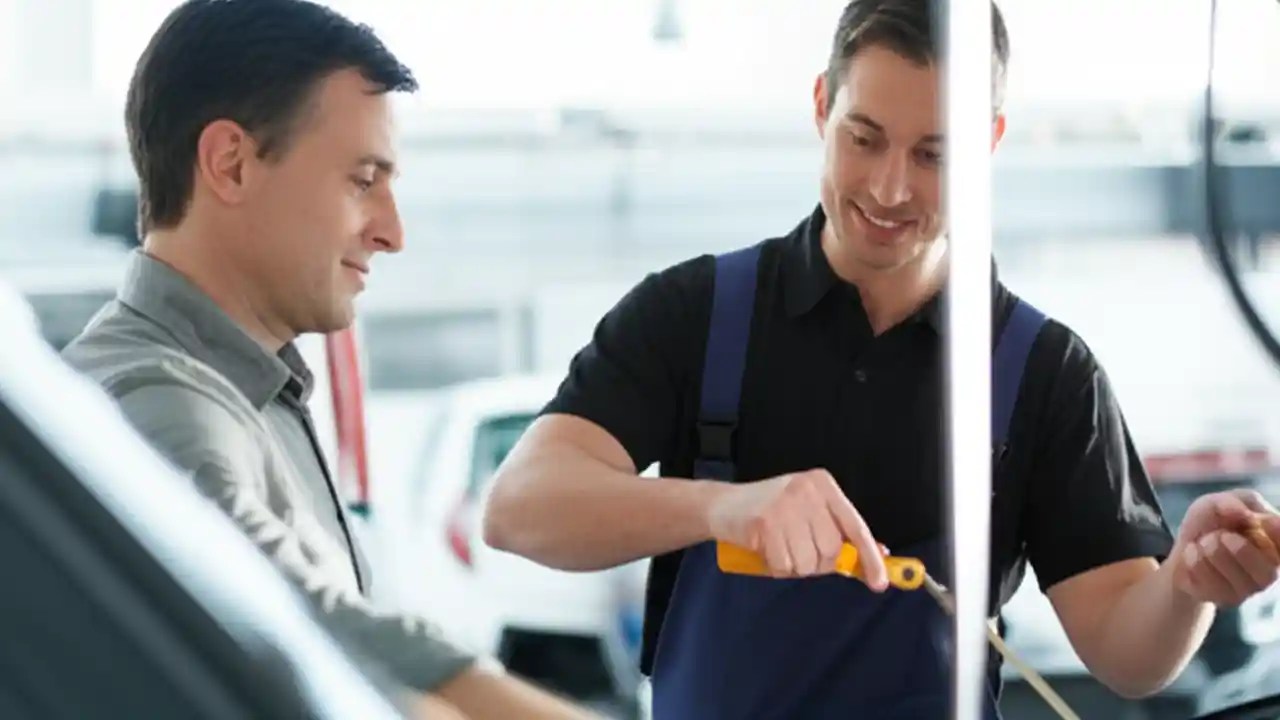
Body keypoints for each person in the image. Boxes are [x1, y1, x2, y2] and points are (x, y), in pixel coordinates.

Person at [483, 0, 1280, 717]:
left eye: (935, 155)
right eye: (864, 139)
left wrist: (1186, 584)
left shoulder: (1046, 373)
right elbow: (519, 508)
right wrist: (720, 508)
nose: (891, 189)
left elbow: (1129, 657)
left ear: (988, 143)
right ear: (822, 105)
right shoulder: (695, 313)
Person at [60, 2, 595, 719]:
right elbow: (298, 622)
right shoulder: (156, 401)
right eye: (363, 180)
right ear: (231, 164)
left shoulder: (252, 389)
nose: (393, 232)